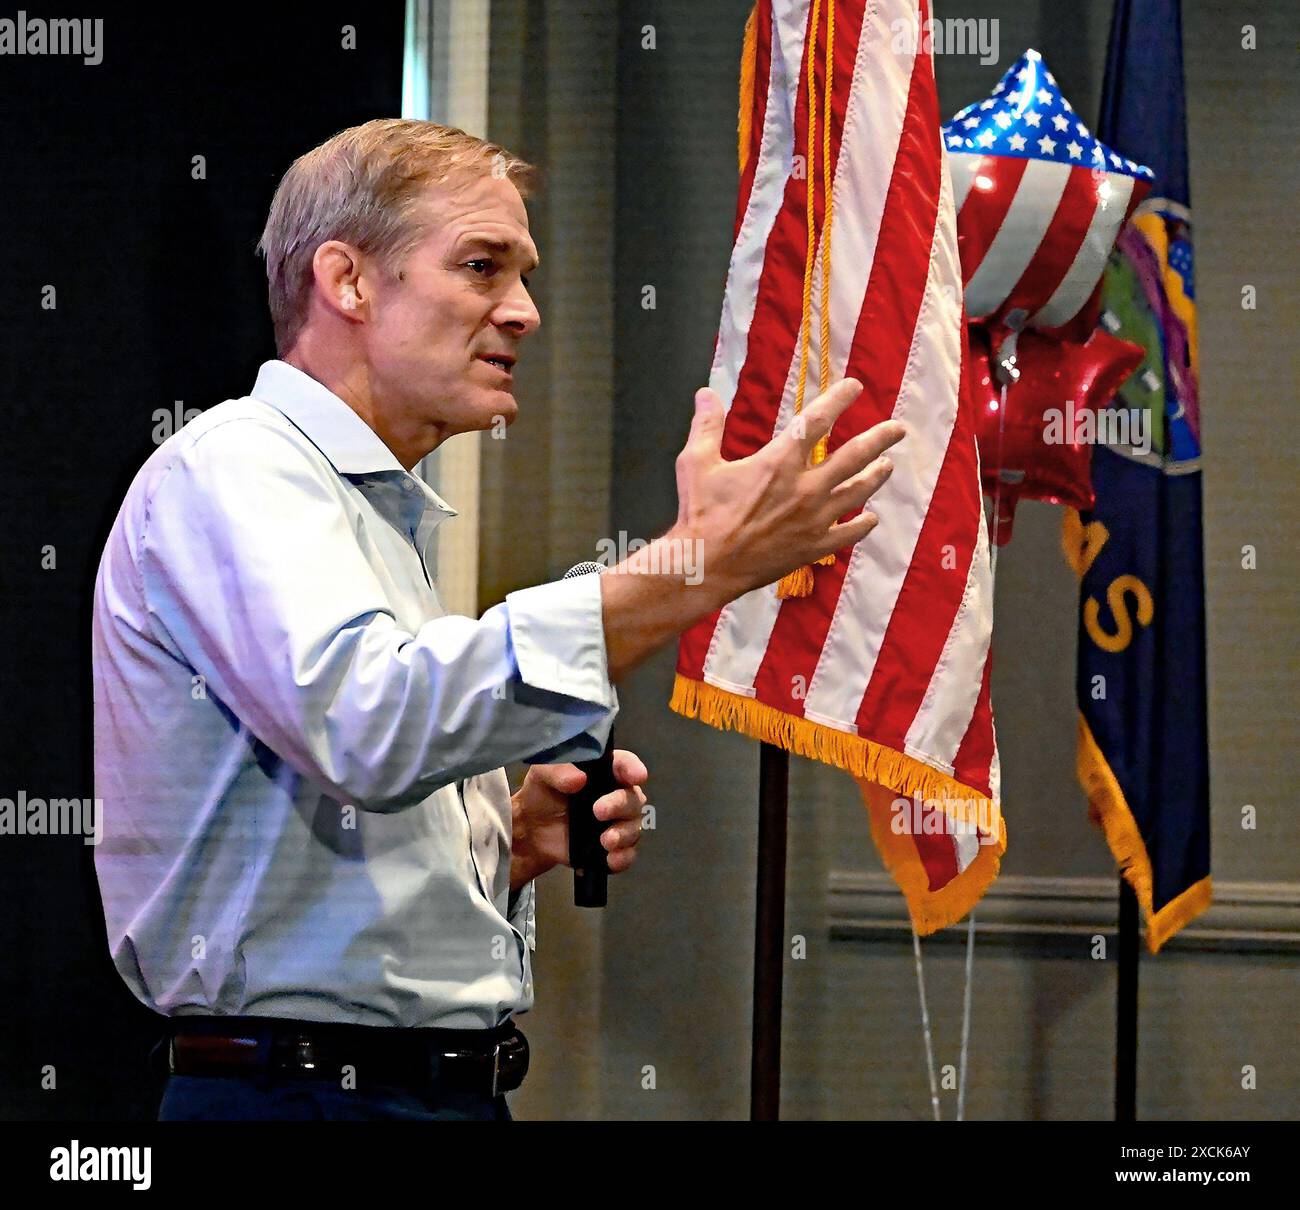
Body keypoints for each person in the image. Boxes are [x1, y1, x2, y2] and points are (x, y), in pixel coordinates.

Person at [91, 118, 903, 1122]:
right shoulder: (234, 467)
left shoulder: (379, 515)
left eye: (522, 274)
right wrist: (696, 567)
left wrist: (508, 844)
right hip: (301, 1104)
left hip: (424, 1093)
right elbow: (368, 722)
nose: (523, 311)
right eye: (481, 266)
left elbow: (332, 834)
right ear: (348, 282)